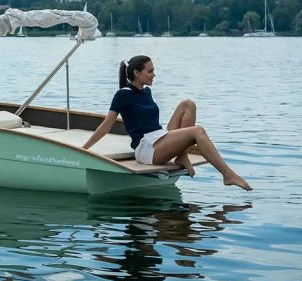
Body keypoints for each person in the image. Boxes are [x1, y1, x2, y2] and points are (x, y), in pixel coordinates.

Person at [82, 55, 252, 191]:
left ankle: (182, 156)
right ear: (136, 73)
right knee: (197, 131)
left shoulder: (147, 92)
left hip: (159, 137)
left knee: (188, 104)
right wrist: (84, 149)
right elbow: (106, 125)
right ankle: (228, 175)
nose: (154, 75)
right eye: (150, 71)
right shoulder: (122, 95)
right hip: (147, 148)